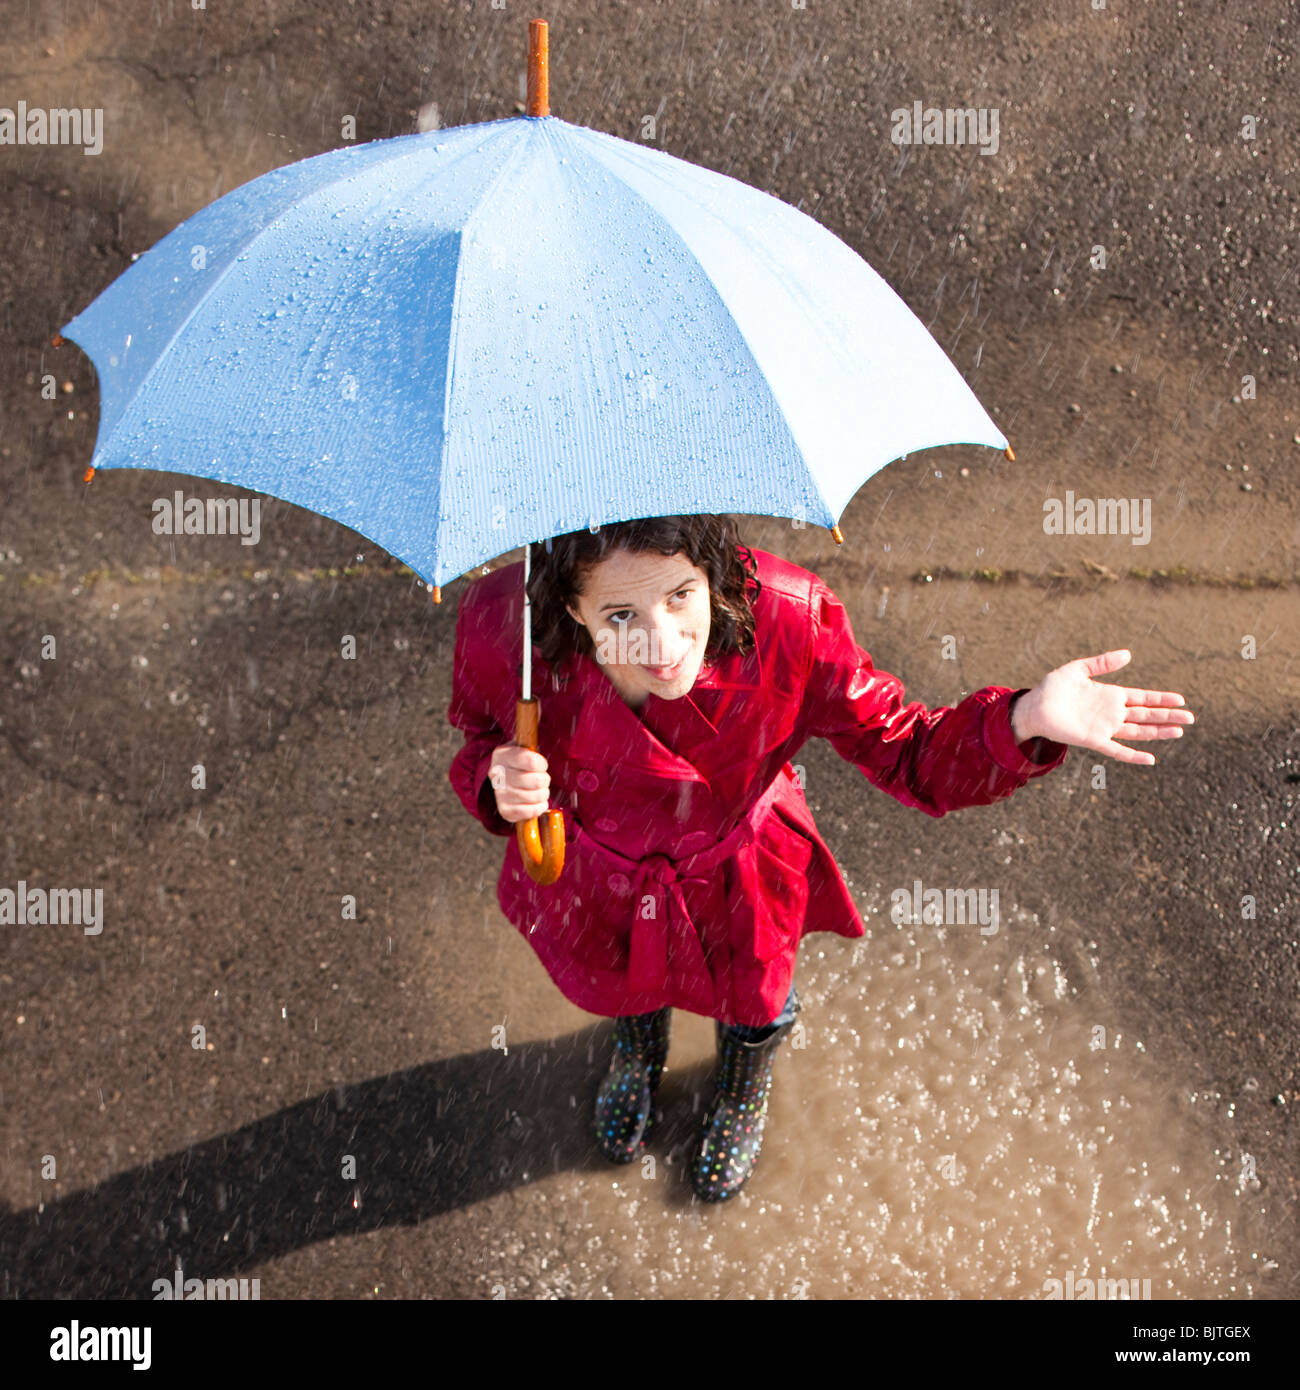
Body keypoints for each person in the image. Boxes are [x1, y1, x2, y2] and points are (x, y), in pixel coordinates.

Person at [447, 515, 1194, 1202]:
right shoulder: (502, 631)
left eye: (681, 596)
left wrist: (1024, 719)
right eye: (619, 617)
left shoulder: (789, 617)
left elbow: (909, 752)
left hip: (733, 872)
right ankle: (638, 1053)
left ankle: (742, 1087)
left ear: (711, 570)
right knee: (630, 979)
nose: (664, 646)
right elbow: (478, 739)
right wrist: (495, 777)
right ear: (570, 609)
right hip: (602, 876)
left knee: (753, 997)